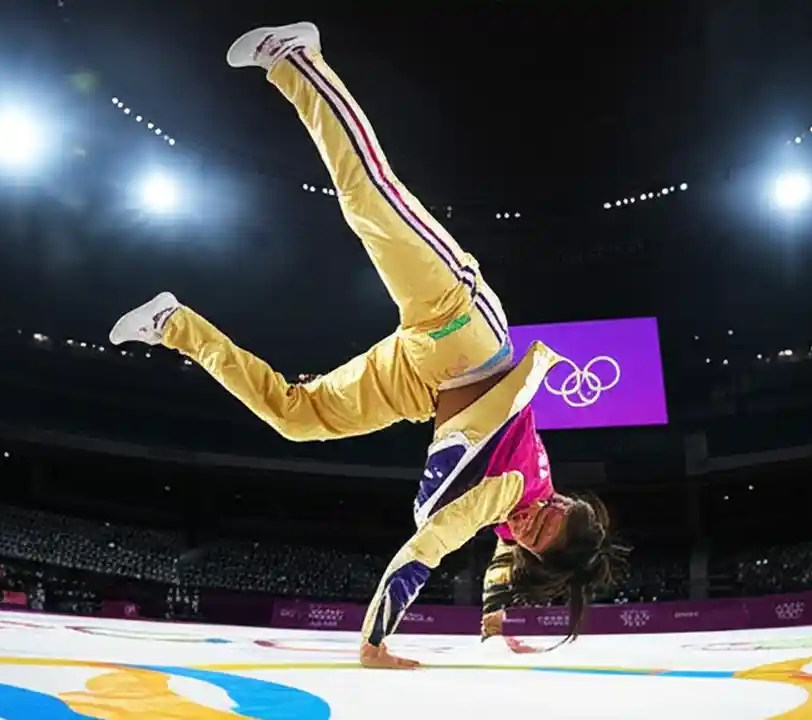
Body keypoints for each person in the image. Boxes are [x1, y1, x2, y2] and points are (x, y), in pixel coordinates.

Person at [110, 22, 623, 669]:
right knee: (370, 202)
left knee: (297, 418)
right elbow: (428, 548)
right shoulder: (514, 491)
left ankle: (172, 323)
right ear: (562, 504)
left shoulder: (516, 511)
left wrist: (494, 620)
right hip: (460, 326)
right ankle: (295, 58)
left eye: (531, 542)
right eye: (539, 524)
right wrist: (374, 643)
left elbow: (497, 546)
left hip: (420, 385)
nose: (524, 531)